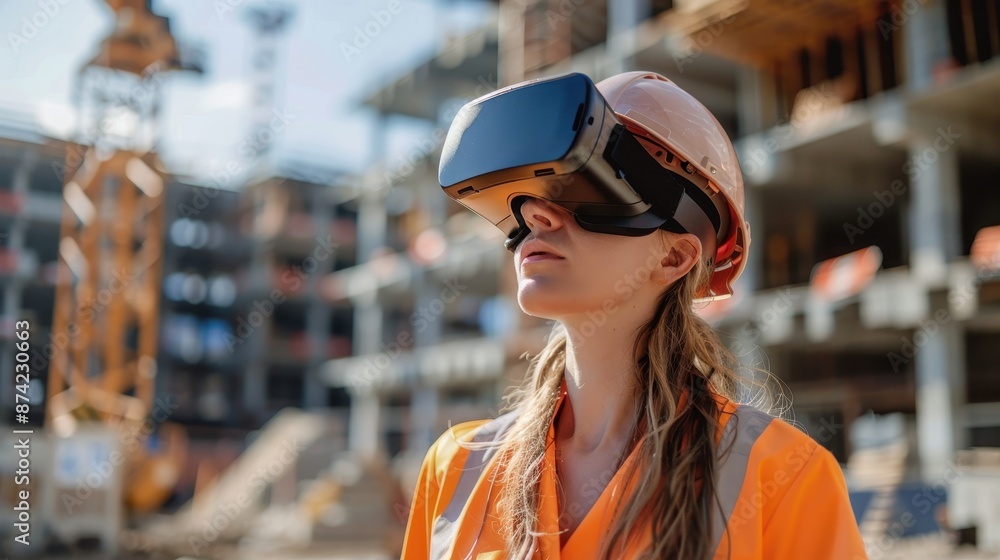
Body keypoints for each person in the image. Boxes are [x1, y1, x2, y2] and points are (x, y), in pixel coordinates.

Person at [400, 71, 867, 559]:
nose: (536, 216)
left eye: (582, 189)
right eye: (525, 197)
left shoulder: (786, 476)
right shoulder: (455, 468)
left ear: (674, 258)